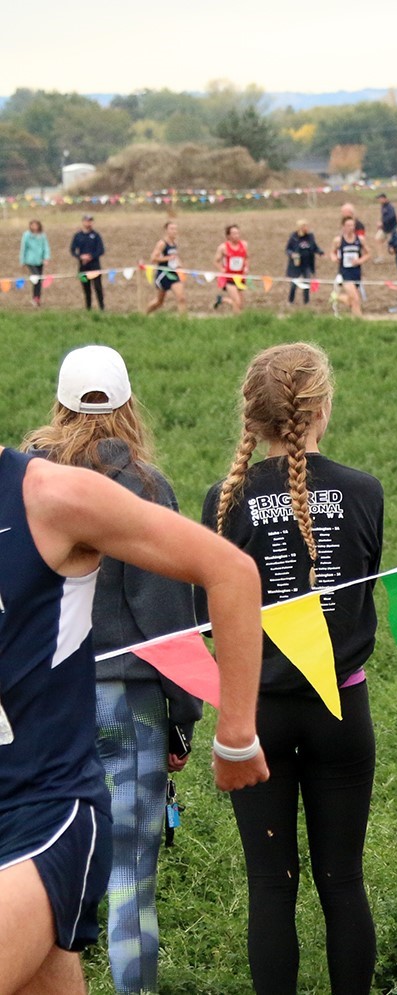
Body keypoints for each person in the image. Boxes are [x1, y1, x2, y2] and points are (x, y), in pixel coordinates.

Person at [0, 392, 266, 995]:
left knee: (131, 874)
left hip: (41, 810)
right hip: (125, 701)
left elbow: (226, 573)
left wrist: (234, 734)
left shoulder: (52, 494)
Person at [19, 346, 208, 995]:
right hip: (130, 704)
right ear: (129, 405)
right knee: (131, 878)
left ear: (59, 405)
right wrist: (183, 719)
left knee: (35, 877)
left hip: (40, 707)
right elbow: (168, 617)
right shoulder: (147, 488)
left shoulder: (26, 485)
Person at [200, 342, 384, 995]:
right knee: (344, 881)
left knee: (269, 886)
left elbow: (207, 619)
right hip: (342, 709)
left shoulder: (223, 501)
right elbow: (363, 587)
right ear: (322, 407)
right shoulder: (364, 491)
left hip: (255, 716)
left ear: (251, 416)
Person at [145, 221, 185, 315]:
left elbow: (175, 257)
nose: (174, 231)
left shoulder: (174, 243)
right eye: (172, 229)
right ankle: (143, 314)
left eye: (175, 229)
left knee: (181, 298)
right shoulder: (162, 243)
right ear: (166, 231)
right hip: (163, 274)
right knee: (159, 302)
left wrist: (180, 265)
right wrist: (167, 258)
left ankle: (183, 321)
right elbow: (153, 259)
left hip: (173, 274)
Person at [331, 216, 366, 318]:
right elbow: (332, 252)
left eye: (352, 225)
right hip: (345, 273)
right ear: (343, 227)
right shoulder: (338, 240)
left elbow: (368, 253)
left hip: (356, 272)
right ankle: (359, 321)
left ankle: (336, 297)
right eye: (348, 225)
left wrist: (360, 260)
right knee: (355, 299)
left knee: (352, 301)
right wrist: (334, 258)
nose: (351, 227)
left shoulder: (360, 239)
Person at [71, 215, 107, 311]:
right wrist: (80, 257)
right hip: (82, 267)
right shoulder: (78, 236)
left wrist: (91, 257)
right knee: (86, 288)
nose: (88, 223)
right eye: (87, 221)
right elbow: (72, 250)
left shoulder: (96, 236)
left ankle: (102, 308)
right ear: (83, 222)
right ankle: (88, 309)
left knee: (98, 287)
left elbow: (101, 250)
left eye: (90, 221)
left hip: (95, 266)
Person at [212, 224, 248, 313]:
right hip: (229, 278)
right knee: (236, 301)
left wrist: (246, 267)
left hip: (240, 277)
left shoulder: (244, 245)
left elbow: (247, 257)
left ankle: (222, 300)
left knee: (241, 304)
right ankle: (237, 320)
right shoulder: (223, 247)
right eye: (234, 233)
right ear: (228, 236)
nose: (236, 235)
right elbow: (216, 261)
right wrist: (221, 269)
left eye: (238, 233)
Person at [284, 221, 320, 308]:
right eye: (304, 226)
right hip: (296, 264)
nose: (307, 228)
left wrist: (320, 252)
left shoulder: (310, 237)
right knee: (294, 284)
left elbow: (314, 247)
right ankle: (290, 301)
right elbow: (288, 249)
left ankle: (306, 302)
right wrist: (292, 254)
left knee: (306, 283)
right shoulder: (294, 237)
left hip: (307, 264)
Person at [19, 219, 48, 307]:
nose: (34, 227)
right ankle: (35, 298)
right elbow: (23, 248)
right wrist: (22, 261)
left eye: (36, 225)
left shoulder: (42, 235)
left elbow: (46, 247)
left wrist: (46, 258)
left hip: (40, 261)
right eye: (33, 225)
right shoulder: (27, 235)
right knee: (36, 278)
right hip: (30, 261)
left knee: (38, 280)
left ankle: (37, 298)